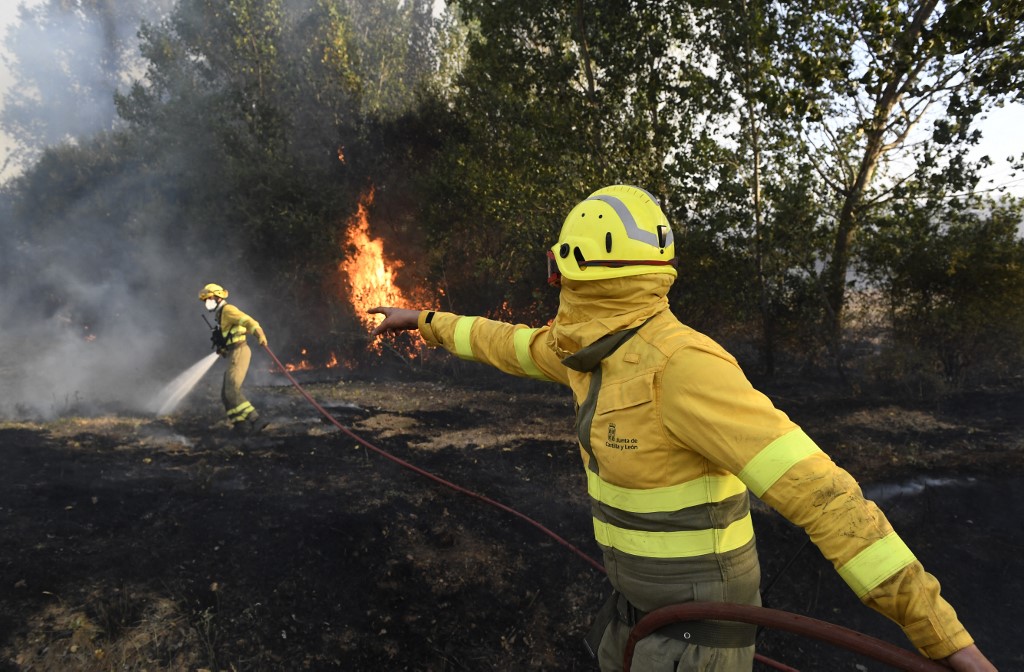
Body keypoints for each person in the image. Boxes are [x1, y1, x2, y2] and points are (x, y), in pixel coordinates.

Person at [367, 185, 996, 672]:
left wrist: (946, 642)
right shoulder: (588, 350)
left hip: (699, 637)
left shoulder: (682, 367)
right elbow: (504, 342)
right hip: (638, 614)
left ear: (571, 270)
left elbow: (827, 499)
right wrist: (421, 319)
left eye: (555, 265)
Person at [198, 283, 269, 435]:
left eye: (209, 299)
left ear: (218, 297)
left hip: (240, 351)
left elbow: (249, 322)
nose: (207, 303)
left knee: (231, 391)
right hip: (233, 352)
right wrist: (223, 347)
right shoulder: (220, 315)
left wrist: (260, 335)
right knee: (225, 394)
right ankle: (240, 425)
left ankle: (255, 419)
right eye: (205, 300)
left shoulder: (228, 310)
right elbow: (230, 335)